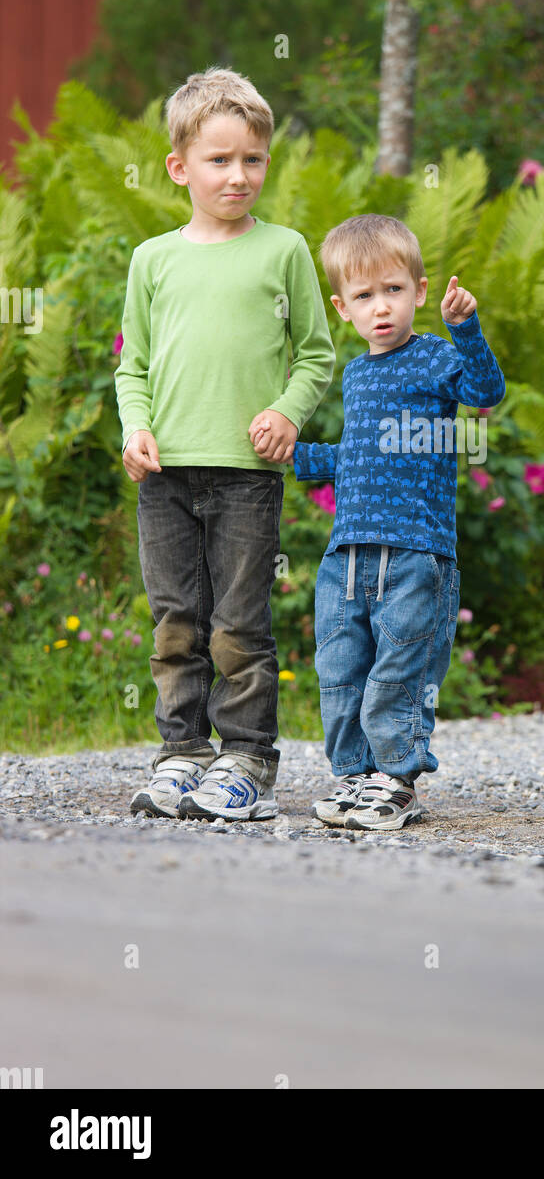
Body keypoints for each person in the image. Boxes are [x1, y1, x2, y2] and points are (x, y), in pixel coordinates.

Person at [116, 66, 336, 821]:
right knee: (176, 621)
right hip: (165, 474)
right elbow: (133, 365)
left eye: (252, 159)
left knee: (238, 625)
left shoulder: (285, 251)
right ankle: (182, 753)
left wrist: (288, 412)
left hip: (246, 474)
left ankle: (247, 760)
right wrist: (134, 427)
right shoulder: (154, 259)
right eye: (219, 160)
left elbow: (315, 353)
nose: (238, 175)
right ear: (180, 167)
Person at [286, 214, 505, 831]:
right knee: (341, 665)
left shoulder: (437, 357)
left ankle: (397, 779)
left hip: (416, 553)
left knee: (399, 668)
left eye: (393, 290)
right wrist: (296, 454)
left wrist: (466, 330)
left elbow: (486, 392)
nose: (380, 307)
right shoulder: (356, 374)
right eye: (364, 296)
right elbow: (358, 454)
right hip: (347, 553)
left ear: (420, 290)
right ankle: (355, 778)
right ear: (341, 307)